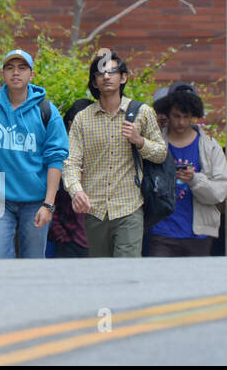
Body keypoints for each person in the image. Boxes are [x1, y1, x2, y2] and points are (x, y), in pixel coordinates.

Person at [0, 48, 68, 259]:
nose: (15, 73)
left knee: (33, 262)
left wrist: (48, 204)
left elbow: (56, 159)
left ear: (32, 74)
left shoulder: (47, 111)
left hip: (36, 200)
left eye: (22, 68)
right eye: (10, 68)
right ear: (2, 74)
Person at [63, 50, 168, 258]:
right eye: (101, 73)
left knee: (126, 271)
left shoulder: (142, 112)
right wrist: (76, 191)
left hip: (129, 208)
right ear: (94, 82)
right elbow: (71, 163)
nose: (107, 76)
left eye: (112, 71)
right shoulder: (82, 119)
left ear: (124, 77)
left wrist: (140, 141)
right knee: (101, 274)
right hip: (94, 210)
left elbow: (161, 153)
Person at [146, 83, 227, 256]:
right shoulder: (155, 142)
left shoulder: (209, 146)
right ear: (167, 113)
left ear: (194, 116)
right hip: (161, 232)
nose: (181, 122)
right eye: (176, 116)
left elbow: (220, 191)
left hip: (198, 234)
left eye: (186, 116)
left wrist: (194, 179)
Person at [48, 98, 93, 258]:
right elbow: (51, 201)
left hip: (99, 238)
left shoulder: (105, 156)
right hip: (69, 241)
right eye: (74, 123)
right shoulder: (59, 157)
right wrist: (61, 236)